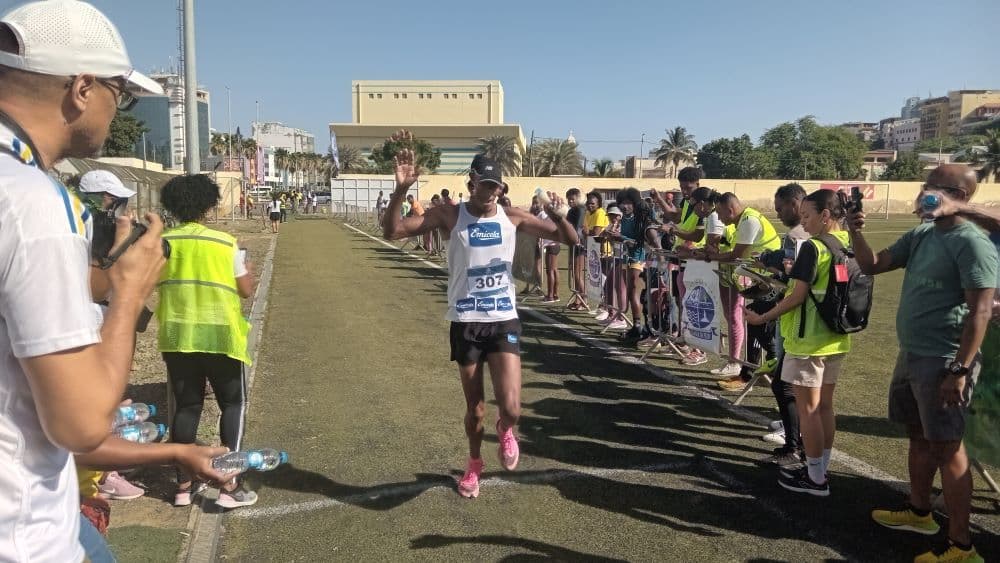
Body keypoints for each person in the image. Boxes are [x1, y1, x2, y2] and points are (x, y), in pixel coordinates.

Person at [0, 2, 168, 560]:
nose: (116, 112)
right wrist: (130, 292)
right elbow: (80, 423)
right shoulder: (31, 204)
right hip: (23, 534)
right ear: (81, 89)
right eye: (117, 95)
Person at [382, 130, 578, 499]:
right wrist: (400, 191)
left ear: (501, 188)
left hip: (503, 319)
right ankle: (474, 465)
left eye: (494, 186)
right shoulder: (449, 215)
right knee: (475, 411)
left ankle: (508, 428)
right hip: (466, 322)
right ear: (470, 183)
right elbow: (392, 231)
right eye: (482, 185)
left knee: (513, 407)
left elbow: (571, 239)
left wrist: (554, 212)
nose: (488, 192)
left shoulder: (513, 217)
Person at [851, 164, 997, 563]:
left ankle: (961, 546)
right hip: (912, 352)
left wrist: (960, 370)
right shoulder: (923, 233)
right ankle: (919, 513)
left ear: (961, 197)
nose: (924, 194)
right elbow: (872, 265)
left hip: (944, 360)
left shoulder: (972, 243)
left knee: (949, 449)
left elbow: (981, 313)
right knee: (918, 434)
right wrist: (855, 229)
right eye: (925, 187)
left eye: (935, 189)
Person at [157, 174, 257, 509]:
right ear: (209, 205)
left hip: (178, 334)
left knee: (187, 406)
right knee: (233, 404)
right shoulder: (225, 243)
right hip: (220, 334)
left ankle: (184, 485)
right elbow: (245, 289)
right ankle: (230, 484)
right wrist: (249, 267)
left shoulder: (161, 242)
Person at [745, 189, 852, 498]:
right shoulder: (846, 243)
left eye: (807, 216)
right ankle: (821, 468)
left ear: (825, 216)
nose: (802, 222)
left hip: (808, 341)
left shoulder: (814, 247)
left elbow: (796, 297)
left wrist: (762, 318)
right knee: (825, 408)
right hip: (835, 337)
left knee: (810, 410)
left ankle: (815, 477)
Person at [755, 183, 811, 466]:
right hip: (810, 326)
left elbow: (793, 281)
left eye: (780, 208)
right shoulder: (822, 235)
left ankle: (797, 447)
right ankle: (797, 443)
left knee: (787, 387)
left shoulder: (798, 236)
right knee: (801, 391)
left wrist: (769, 267)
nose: (778, 214)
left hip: (800, 325)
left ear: (795, 203)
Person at [705, 193, 782, 388]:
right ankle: (752, 372)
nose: (720, 219)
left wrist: (712, 256)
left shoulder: (749, 220)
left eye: (720, 213)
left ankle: (767, 365)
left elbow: (735, 255)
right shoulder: (743, 220)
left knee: (758, 323)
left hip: (770, 281)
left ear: (730, 210)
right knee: (755, 323)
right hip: (761, 280)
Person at [607, 188, 661, 339]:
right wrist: (613, 235)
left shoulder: (639, 219)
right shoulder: (623, 218)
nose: (625, 206)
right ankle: (636, 325)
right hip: (627, 257)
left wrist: (621, 238)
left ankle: (640, 326)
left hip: (639, 257)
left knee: (634, 290)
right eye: (623, 203)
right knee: (630, 291)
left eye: (629, 203)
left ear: (635, 203)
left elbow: (637, 242)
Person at [583, 192, 610, 318]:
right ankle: (601, 306)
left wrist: (586, 231)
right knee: (598, 279)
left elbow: (595, 233)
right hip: (594, 251)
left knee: (604, 279)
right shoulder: (588, 213)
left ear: (598, 204)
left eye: (592, 203)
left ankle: (606, 307)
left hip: (605, 251)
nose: (590, 205)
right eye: (588, 203)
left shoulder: (600, 213)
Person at [565, 188, 587, 310]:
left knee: (578, 274)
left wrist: (575, 239)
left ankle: (584, 300)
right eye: (568, 199)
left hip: (579, 245)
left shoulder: (580, 209)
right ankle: (578, 299)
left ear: (578, 198)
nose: (570, 201)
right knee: (574, 273)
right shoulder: (571, 210)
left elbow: (578, 228)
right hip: (572, 244)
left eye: (572, 199)